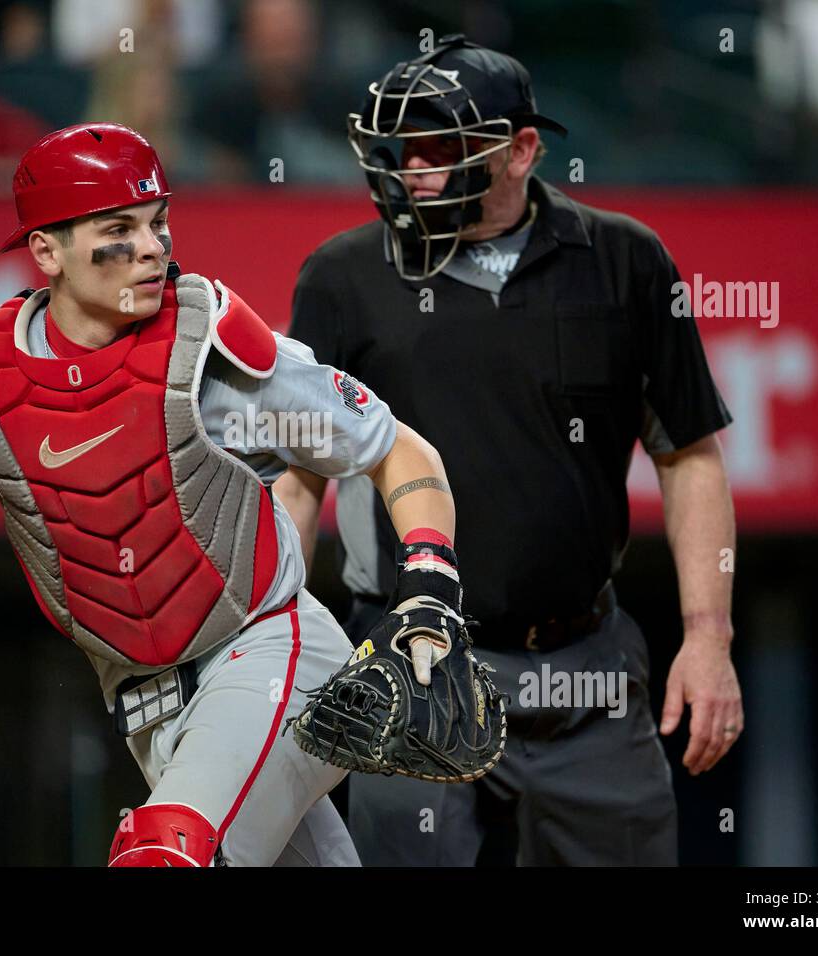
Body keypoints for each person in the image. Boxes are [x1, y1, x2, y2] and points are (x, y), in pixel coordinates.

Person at [0, 122, 467, 867]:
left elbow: (394, 448)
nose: (152, 247)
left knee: (164, 855)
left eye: (157, 222)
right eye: (118, 229)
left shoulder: (210, 346)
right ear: (46, 251)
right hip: (147, 706)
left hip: (270, 655)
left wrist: (426, 582)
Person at [275, 35, 744, 866]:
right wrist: (269, 645)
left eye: (440, 149)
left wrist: (708, 640)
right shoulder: (342, 276)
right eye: (401, 148)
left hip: (589, 668)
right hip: (409, 663)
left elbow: (689, 457)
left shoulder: (626, 259)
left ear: (522, 150)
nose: (412, 170)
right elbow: (299, 480)